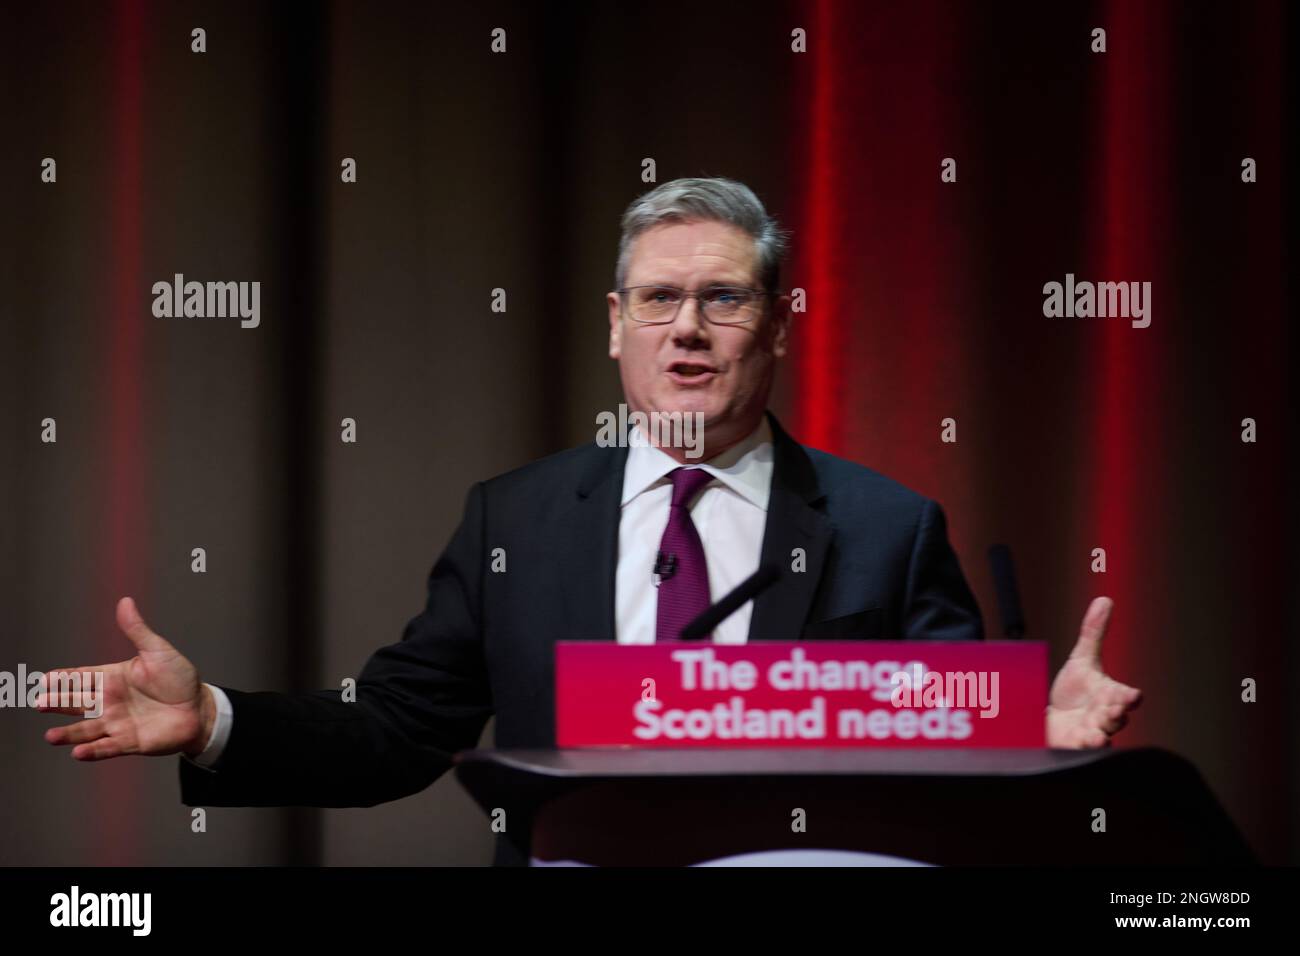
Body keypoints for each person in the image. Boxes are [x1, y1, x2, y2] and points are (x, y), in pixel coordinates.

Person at [38, 177, 1142, 865]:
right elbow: (395, 729)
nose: (689, 330)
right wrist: (217, 720)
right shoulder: (514, 517)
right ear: (615, 327)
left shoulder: (885, 525)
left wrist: (1032, 735)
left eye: (725, 297)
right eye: (658, 299)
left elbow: (950, 744)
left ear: (777, 328)